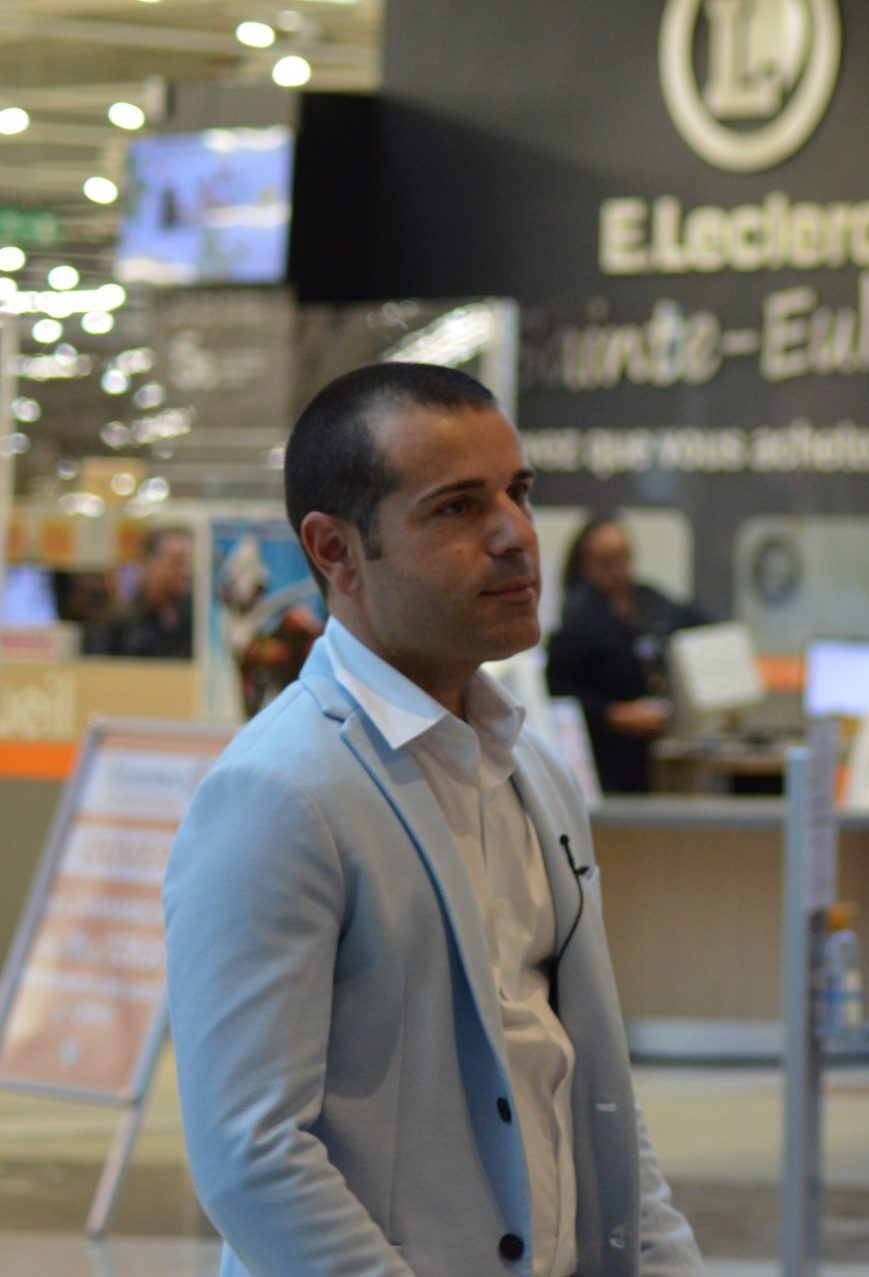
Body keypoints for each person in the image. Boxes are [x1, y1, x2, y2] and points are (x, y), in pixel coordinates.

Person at [163, 363, 702, 1277]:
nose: (516, 535)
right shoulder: (276, 795)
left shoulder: (530, 767)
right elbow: (253, 1156)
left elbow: (578, 1082)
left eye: (519, 493)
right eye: (456, 508)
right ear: (335, 550)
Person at [545, 518, 705, 793]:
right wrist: (614, 715)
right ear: (585, 565)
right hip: (606, 759)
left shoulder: (645, 599)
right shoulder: (578, 616)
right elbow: (557, 693)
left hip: (656, 751)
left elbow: (697, 623)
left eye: (624, 557)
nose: (619, 569)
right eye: (608, 561)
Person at [86, 525, 194, 658]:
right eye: (176, 561)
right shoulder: (118, 622)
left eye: (189, 562)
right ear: (147, 562)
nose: (185, 571)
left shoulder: (197, 621)